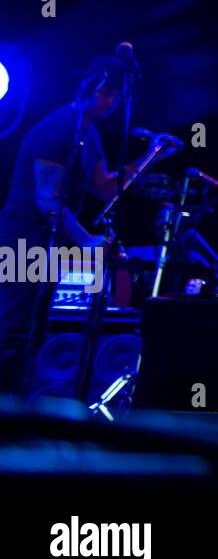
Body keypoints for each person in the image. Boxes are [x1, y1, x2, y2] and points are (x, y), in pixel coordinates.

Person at [0, 55, 134, 394]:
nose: (111, 102)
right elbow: (47, 199)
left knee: (36, 328)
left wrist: (150, 158)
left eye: (117, 96)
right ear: (89, 87)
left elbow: (104, 186)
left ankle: (16, 411)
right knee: (14, 327)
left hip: (48, 243)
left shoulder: (90, 135)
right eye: (107, 92)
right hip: (23, 241)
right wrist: (87, 241)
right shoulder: (60, 127)